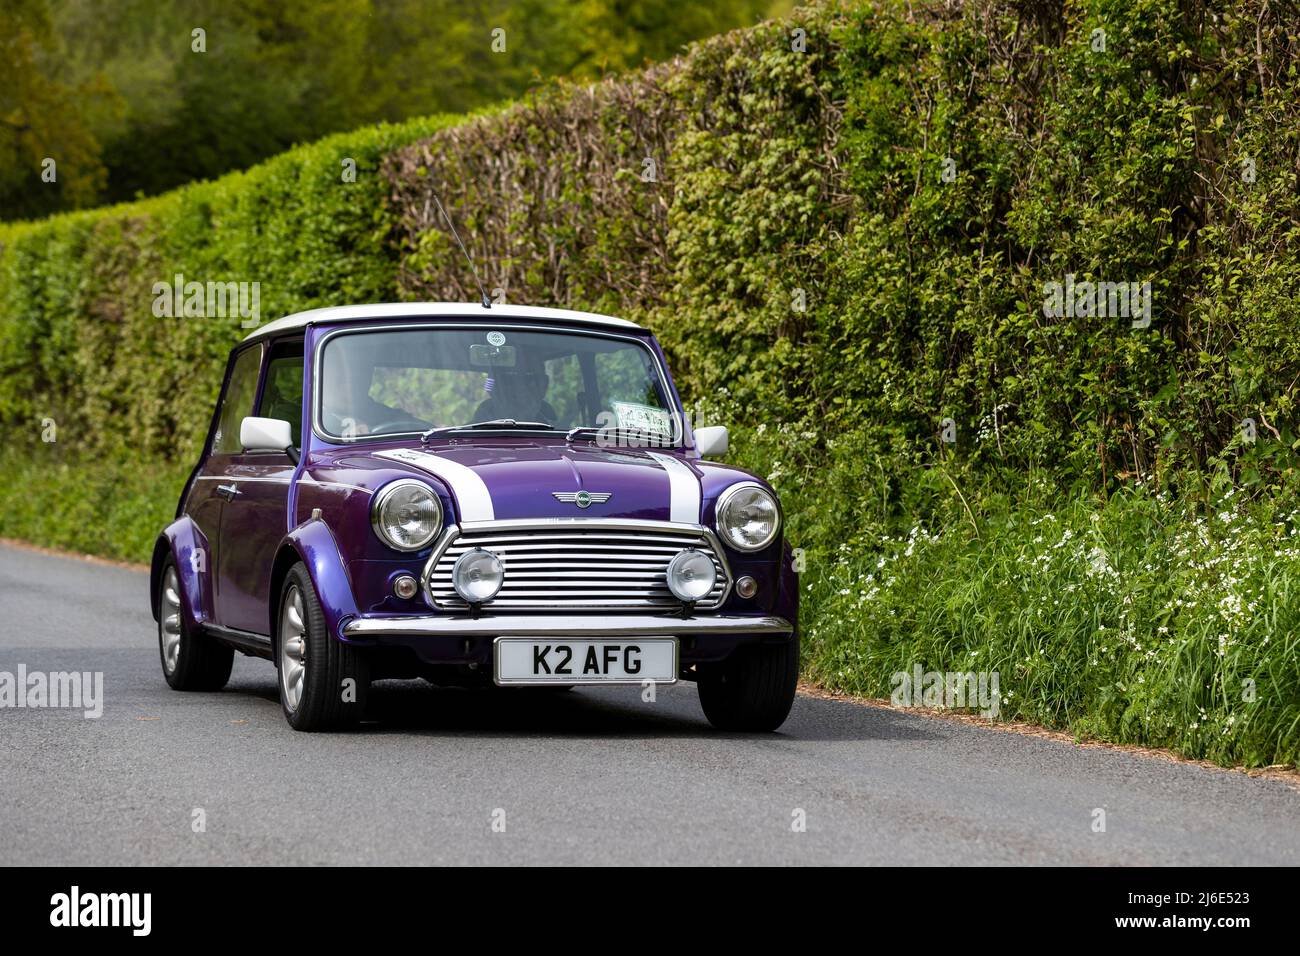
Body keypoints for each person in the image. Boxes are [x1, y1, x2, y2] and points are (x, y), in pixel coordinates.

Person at [472, 364, 559, 425]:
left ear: (544, 385)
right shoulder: (467, 433)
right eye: (508, 381)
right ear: (495, 389)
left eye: (533, 379)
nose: (522, 388)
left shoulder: (561, 434)